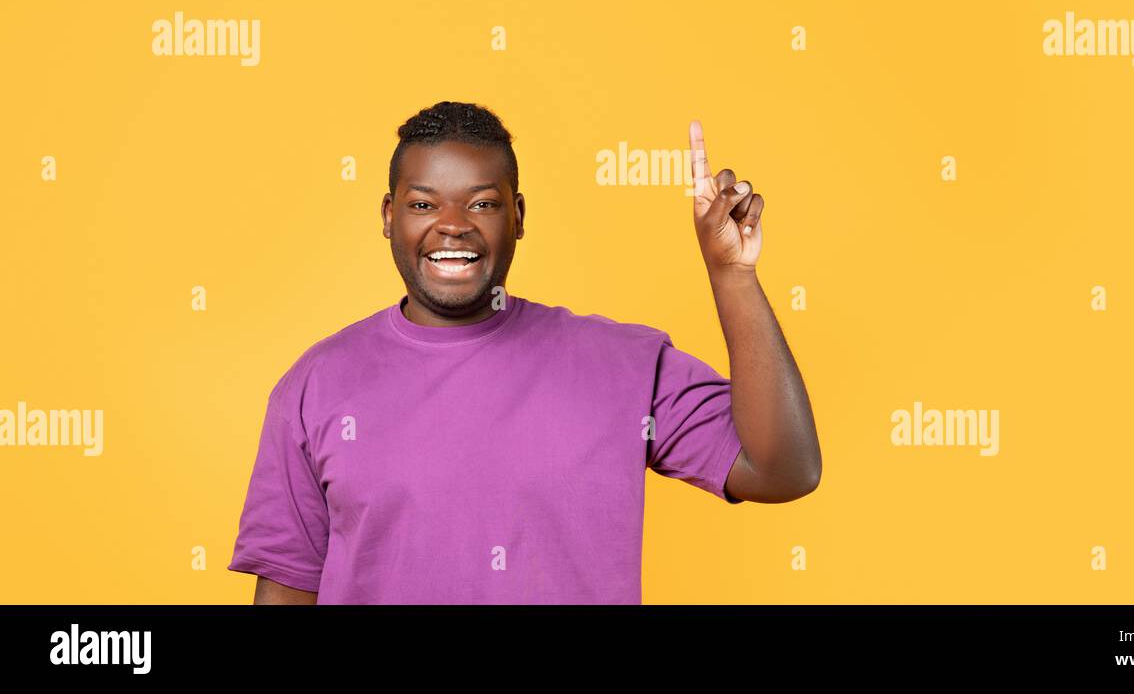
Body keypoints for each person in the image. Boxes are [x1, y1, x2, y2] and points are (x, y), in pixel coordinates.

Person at [228, 102, 821, 604]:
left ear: (518, 217)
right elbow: (286, 588)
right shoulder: (317, 384)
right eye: (424, 204)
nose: (453, 226)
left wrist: (732, 275)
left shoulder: (624, 365)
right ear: (390, 217)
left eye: (482, 203)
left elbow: (784, 469)